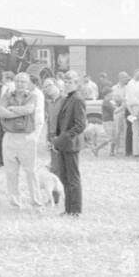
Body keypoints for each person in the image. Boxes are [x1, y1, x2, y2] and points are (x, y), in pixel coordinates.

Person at [0, 73, 45, 208]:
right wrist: (16, 112)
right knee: (11, 171)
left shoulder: (33, 96)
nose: (19, 84)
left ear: (28, 83)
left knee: (31, 170)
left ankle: (35, 201)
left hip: (26, 137)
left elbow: (29, 109)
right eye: (17, 81)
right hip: (10, 136)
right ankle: (15, 202)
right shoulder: (7, 95)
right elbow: (0, 111)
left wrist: (11, 110)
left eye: (23, 82)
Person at [49, 72, 86, 216]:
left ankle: (75, 210)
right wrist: (57, 139)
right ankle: (69, 209)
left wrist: (62, 138)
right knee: (65, 178)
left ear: (77, 83)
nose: (67, 83)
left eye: (70, 81)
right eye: (65, 81)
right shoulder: (67, 98)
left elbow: (80, 125)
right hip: (64, 144)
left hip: (71, 144)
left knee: (73, 178)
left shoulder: (77, 99)